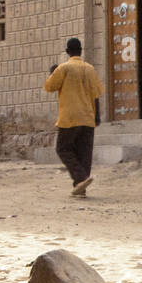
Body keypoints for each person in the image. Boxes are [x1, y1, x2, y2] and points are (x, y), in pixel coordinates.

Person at [44, 37, 103, 197]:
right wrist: (97, 116)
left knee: (63, 148)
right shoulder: (90, 69)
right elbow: (96, 95)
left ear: (67, 52)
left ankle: (81, 178)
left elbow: (50, 87)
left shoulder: (64, 68)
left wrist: (52, 72)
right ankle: (80, 187)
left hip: (69, 117)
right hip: (87, 117)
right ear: (81, 51)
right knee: (84, 152)